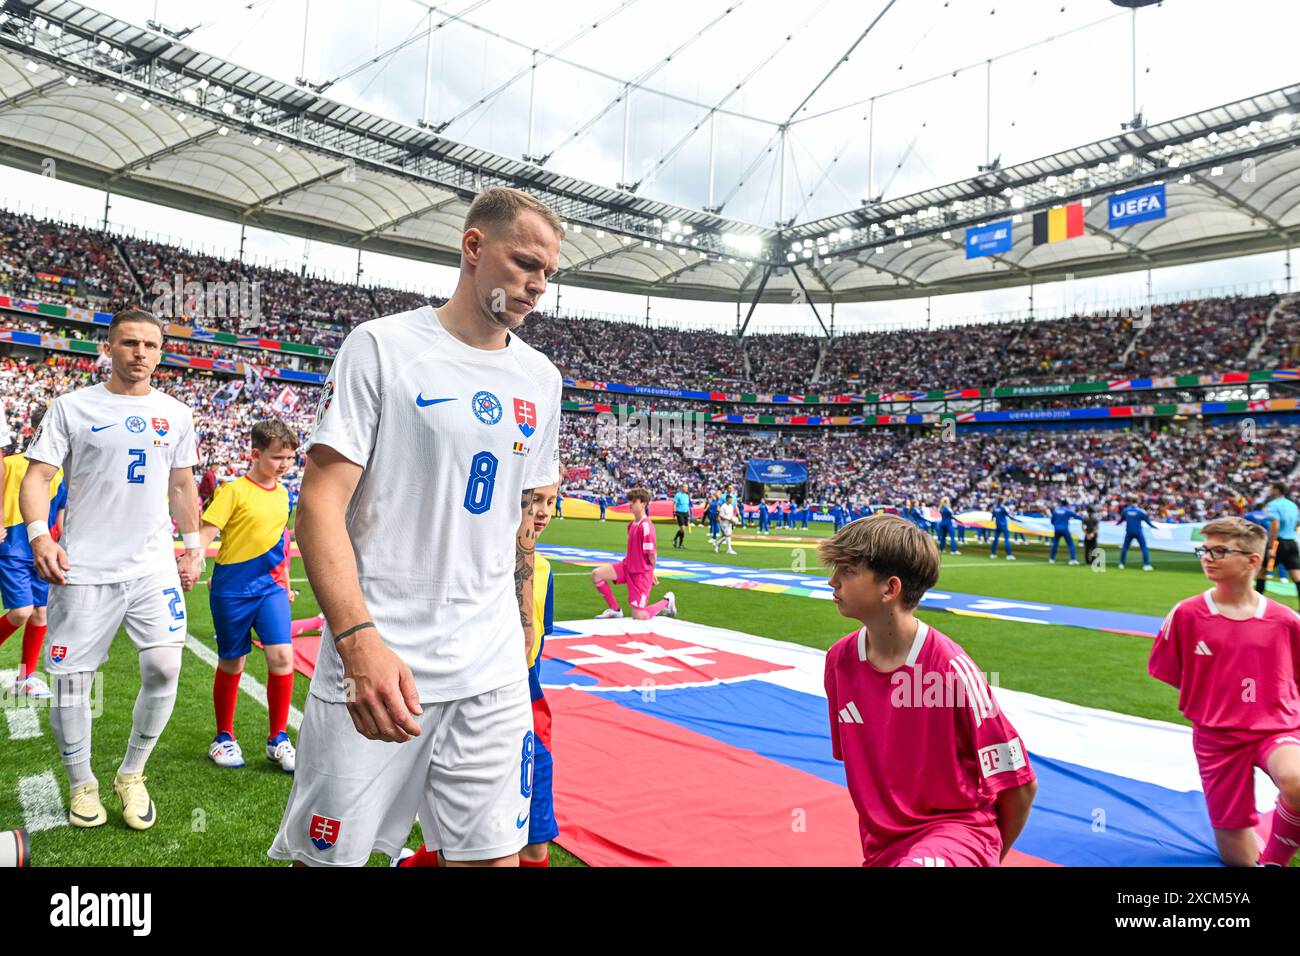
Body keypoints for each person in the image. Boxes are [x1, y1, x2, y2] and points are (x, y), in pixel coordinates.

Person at [268, 186, 563, 867]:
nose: (539, 284)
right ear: (472, 248)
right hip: (381, 659)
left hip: (490, 670)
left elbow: (520, 522)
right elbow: (318, 505)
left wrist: (520, 627)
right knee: (330, 860)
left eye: (549, 272)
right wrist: (357, 642)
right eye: (524, 263)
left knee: (493, 859)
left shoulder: (541, 379)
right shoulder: (381, 347)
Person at [22, 307, 202, 831]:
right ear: (109, 347)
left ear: (161, 351)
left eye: (150, 344)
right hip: (82, 569)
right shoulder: (71, 407)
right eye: (128, 343)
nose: (140, 353)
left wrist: (191, 546)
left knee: (165, 668)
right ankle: (81, 782)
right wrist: (40, 536)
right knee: (73, 684)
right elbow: (38, 478)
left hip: (151, 567)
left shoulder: (177, 413)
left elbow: (183, 485)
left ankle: (132, 773)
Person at [820, 514, 1038, 866]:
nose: (833, 581)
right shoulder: (839, 662)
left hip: (958, 835)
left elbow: (1020, 785)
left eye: (846, 571)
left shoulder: (952, 670)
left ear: (890, 589)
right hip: (882, 848)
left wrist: (982, 857)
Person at [400, 480, 564, 868]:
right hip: (468, 703)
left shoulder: (542, 569)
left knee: (534, 843)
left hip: (527, 710)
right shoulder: (469, 560)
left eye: (550, 502)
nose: (542, 511)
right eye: (533, 500)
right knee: (464, 842)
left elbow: (538, 644)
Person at [1148, 516, 1300, 867]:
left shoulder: (1285, 620)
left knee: (1296, 780)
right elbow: (1169, 671)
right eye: (1205, 549)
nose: (1208, 558)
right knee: (1237, 859)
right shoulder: (1187, 614)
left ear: (1252, 561)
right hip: (1216, 737)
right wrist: (1215, 695)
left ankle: (1274, 862)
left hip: (1275, 728)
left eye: (1220, 550)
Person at [197, 418, 300, 772]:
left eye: (289, 458)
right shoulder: (233, 491)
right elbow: (208, 531)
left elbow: (280, 540)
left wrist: (285, 581)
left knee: (282, 657)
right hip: (232, 591)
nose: (285, 465)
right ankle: (223, 737)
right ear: (255, 454)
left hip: (270, 589)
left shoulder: (285, 494)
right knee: (232, 662)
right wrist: (193, 559)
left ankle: (278, 738)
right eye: (277, 457)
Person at [0, 405, 67, 698]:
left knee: (41, 614)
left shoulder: (61, 472)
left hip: (41, 552)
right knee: (21, 612)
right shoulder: (11, 464)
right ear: (36, 431)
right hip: (12, 548)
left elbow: (60, 514)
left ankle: (26, 678)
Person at [591, 487, 677, 621]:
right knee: (597, 574)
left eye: (634, 501)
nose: (630, 504)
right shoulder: (631, 525)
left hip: (640, 574)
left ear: (643, 504)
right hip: (627, 567)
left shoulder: (646, 526)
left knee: (639, 616)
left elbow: (652, 555)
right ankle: (615, 610)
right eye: (630, 501)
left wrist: (650, 573)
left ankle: (667, 602)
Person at [1264, 481, 1300, 608]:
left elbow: (1275, 526)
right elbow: (1297, 524)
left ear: (1277, 490)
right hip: (1292, 543)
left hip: (1278, 543)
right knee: (1297, 577)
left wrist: (1270, 546)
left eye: (1271, 488)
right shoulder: (1293, 505)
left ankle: (1254, 607)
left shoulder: (1272, 505)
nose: (1269, 490)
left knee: (1260, 572)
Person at [1116, 501, 1157, 570]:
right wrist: (1154, 527)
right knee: (1144, 548)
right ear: (1137, 502)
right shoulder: (1140, 511)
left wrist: (1115, 525)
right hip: (1138, 532)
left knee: (1125, 548)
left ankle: (1121, 564)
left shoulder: (1126, 511)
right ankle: (1146, 565)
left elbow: (1120, 521)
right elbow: (1147, 521)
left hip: (1129, 532)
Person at [1048, 500, 1084, 565]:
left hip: (1057, 529)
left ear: (1061, 504)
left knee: (1055, 544)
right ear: (1067, 505)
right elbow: (1077, 517)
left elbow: (1052, 521)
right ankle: (1072, 559)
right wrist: (1085, 518)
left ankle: (1051, 559)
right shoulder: (1068, 511)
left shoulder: (1055, 511)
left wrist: (1056, 525)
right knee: (1070, 544)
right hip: (1065, 529)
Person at [672, 485, 691, 549]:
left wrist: (689, 513)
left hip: (685, 513)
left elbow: (687, 505)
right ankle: (678, 542)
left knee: (683, 530)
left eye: (687, 487)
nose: (686, 489)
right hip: (679, 513)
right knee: (683, 528)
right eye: (685, 487)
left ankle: (677, 542)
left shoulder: (686, 496)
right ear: (682, 488)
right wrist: (674, 514)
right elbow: (674, 504)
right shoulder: (678, 495)